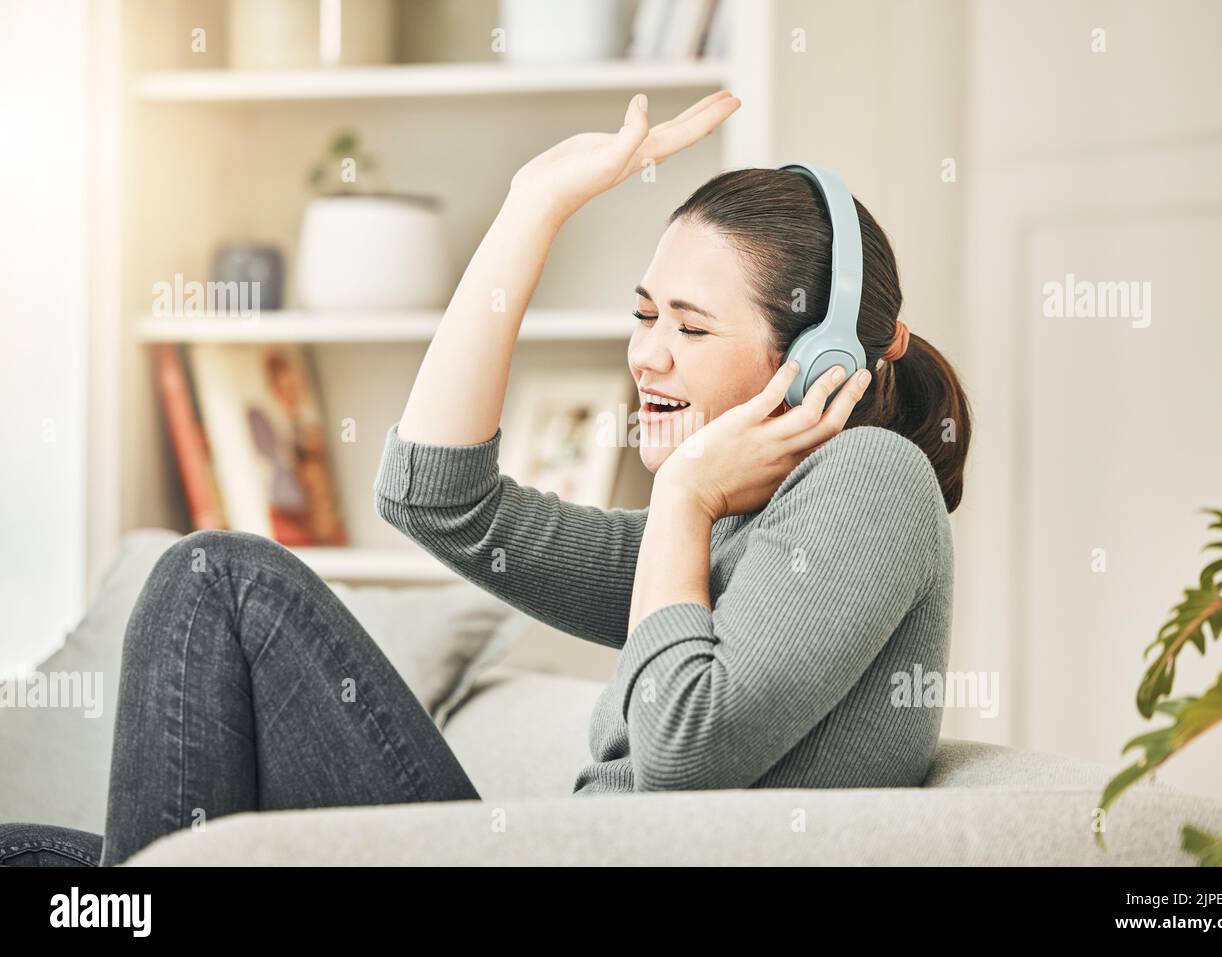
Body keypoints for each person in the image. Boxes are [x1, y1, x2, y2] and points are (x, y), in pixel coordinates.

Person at [1, 91, 970, 866]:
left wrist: (680, 496)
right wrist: (531, 204)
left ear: (823, 363)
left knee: (216, 580)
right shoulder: (718, 532)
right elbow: (437, 496)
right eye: (644, 316)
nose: (648, 357)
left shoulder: (870, 480)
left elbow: (684, 754)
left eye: (692, 325)